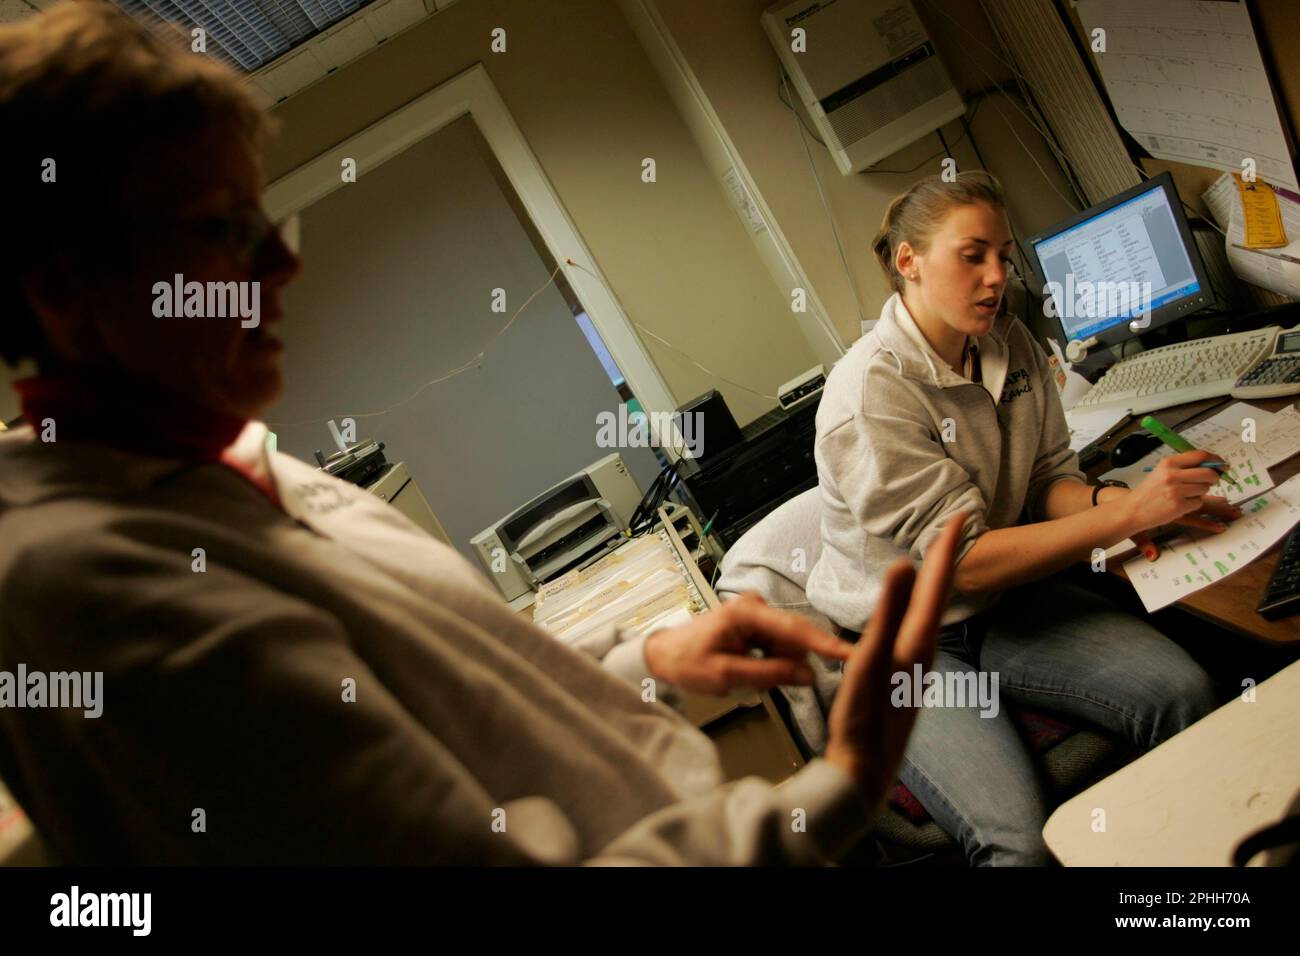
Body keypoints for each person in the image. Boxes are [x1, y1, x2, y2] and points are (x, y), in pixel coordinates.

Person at [0, 1, 963, 865]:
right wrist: (839, 784)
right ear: (65, 285)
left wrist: (652, 665)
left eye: (269, 229)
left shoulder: (230, 462)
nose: (280, 272)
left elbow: (466, 702)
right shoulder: (97, 589)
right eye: (222, 231)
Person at [805, 172, 1224, 866]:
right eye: (973, 255)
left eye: (1004, 255)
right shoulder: (869, 394)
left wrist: (1133, 504)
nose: (997, 277)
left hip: (1004, 607)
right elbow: (964, 558)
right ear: (908, 261)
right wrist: (1124, 515)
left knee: (1184, 692)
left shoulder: (1012, 343)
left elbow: (1046, 481)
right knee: (1020, 846)